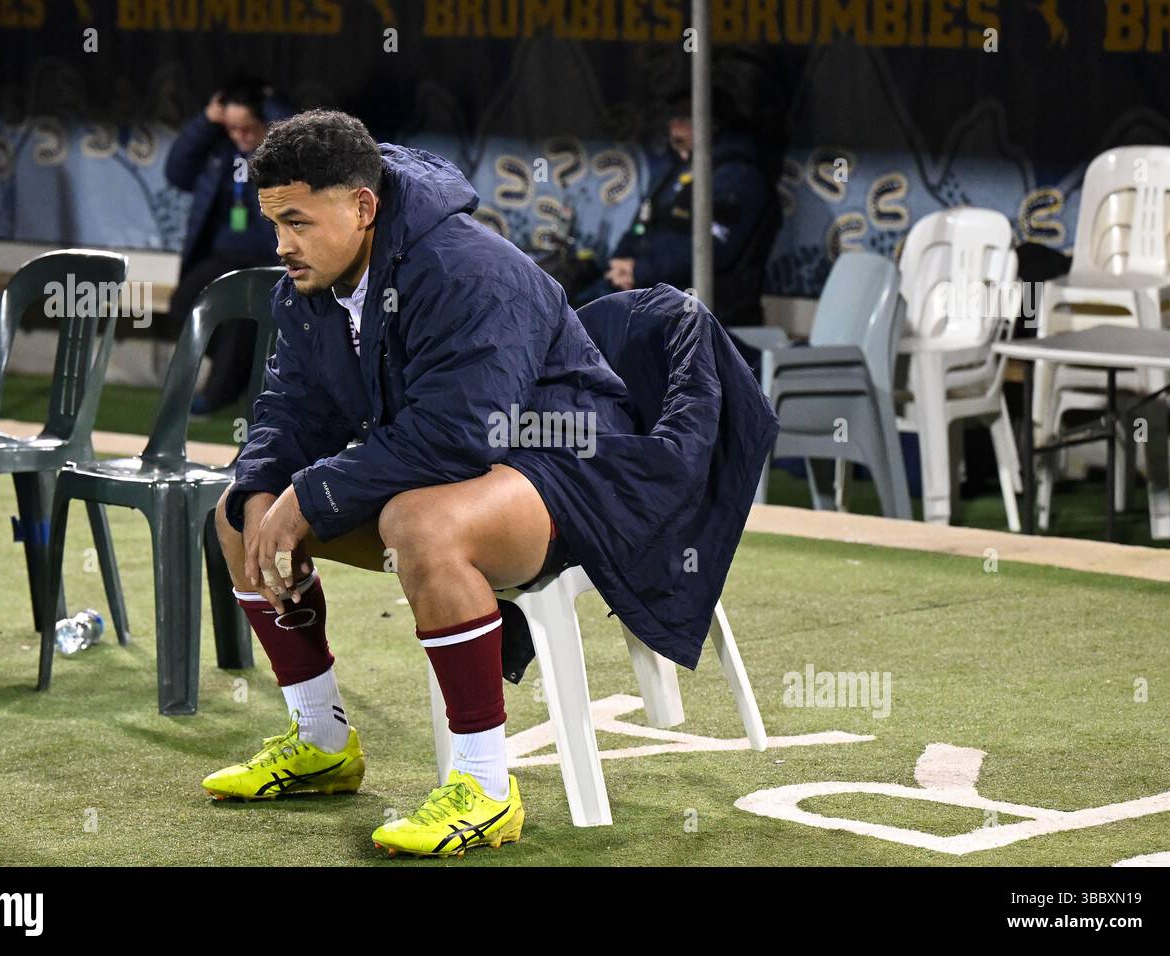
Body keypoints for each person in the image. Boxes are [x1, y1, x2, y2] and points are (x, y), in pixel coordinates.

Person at [202, 110, 775, 857]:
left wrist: (310, 494)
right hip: (465, 468)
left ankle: (485, 788)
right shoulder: (305, 286)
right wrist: (263, 487)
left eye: (298, 221)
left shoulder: (466, 268)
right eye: (275, 221)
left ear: (362, 206)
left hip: (577, 464)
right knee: (235, 515)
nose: (281, 244)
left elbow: (459, 433)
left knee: (421, 523)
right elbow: (286, 412)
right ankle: (321, 740)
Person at [576, 97, 774, 330]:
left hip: (702, 309)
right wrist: (620, 266)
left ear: (711, 123)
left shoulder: (738, 176)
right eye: (673, 118)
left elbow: (713, 249)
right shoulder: (677, 170)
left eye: (684, 119)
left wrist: (640, 271)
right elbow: (642, 224)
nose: (674, 127)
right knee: (567, 311)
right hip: (648, 290)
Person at [164, 77, 294, 415]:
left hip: (271, 256)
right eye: (233, 129)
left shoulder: (283, 156)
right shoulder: (219, 151)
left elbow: (297, 134)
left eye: (249, 128)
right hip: (222, 255)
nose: (241, 136)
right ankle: (238, 375)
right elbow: (177, 172)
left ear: (266, 122)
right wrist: (206, 122)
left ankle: (222, 390)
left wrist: (271, 103)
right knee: (183, 306)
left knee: (241, 313)